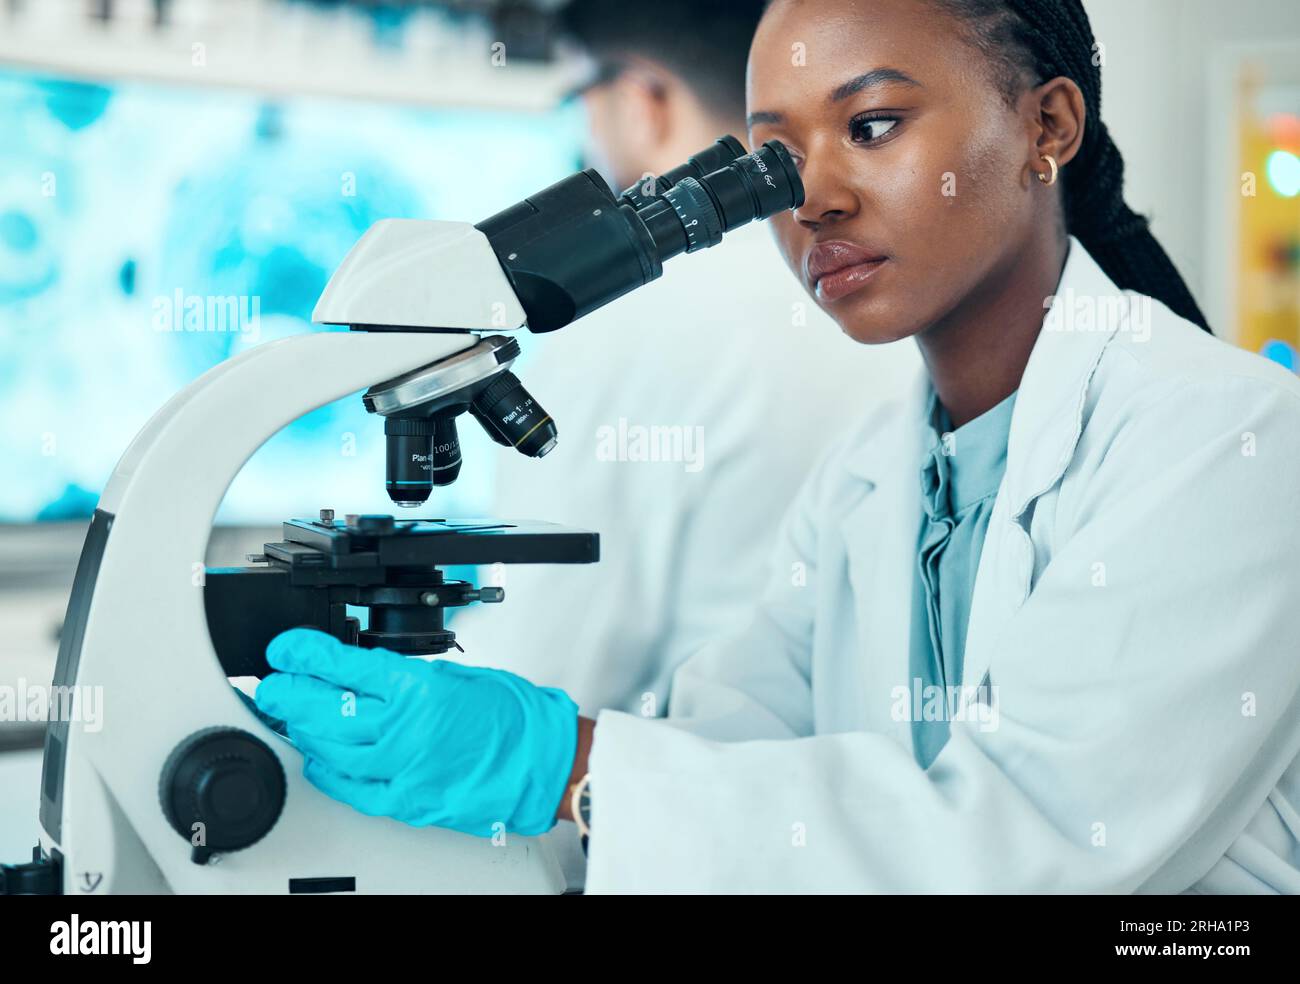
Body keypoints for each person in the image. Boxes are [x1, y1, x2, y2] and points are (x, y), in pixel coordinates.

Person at [255, 0, 1300, 893]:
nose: (813, 199)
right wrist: (518, 749)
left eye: (876, 124)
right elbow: (737, 734)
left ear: (1049, 127)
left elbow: (1030, 844)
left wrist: (564, 767)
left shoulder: (1223, 439)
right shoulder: (871, 471)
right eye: (774, 161)